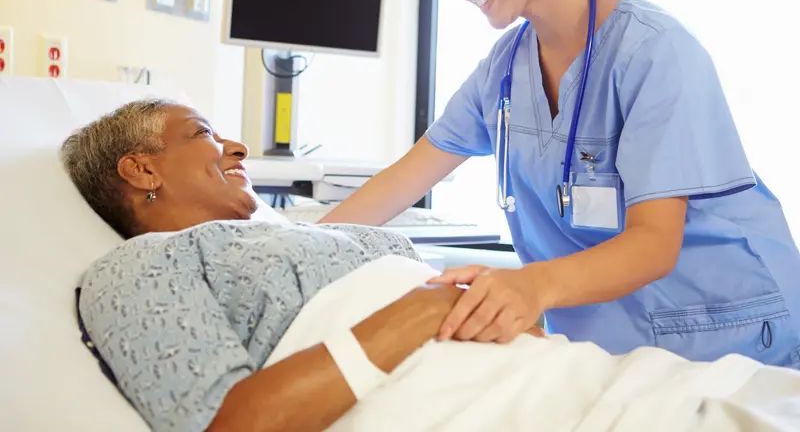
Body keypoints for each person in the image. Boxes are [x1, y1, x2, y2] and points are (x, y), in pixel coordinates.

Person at [319, 0, 800, 368]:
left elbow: (655, 243)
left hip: (730, 332)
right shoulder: (503, 70)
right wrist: (299, 247)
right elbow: (401, 180)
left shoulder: (655, 49)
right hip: (607, 348)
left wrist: (529, 287)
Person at [65, 99, 545, 432]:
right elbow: (221, 425)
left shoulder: (314, 234)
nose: (238, 148)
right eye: (202, 134)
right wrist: (426, 309)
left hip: (540, 377)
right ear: (142, 169)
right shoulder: (137, 268)